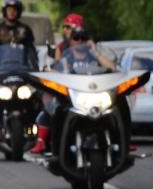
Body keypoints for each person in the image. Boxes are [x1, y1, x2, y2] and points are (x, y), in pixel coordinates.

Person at [27, 26, 116, 156]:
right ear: (71, 41)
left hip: (94, 95)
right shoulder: (66, 56)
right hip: (72, 96)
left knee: (116, 106)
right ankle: (42, 142)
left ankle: (122, 141)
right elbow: (53, 69)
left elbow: (112, 67)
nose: (80, 41)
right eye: (76, 38)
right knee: (52, 108)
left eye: (83, 38)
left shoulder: (94, 56)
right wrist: (49, 72)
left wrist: (95, 51)